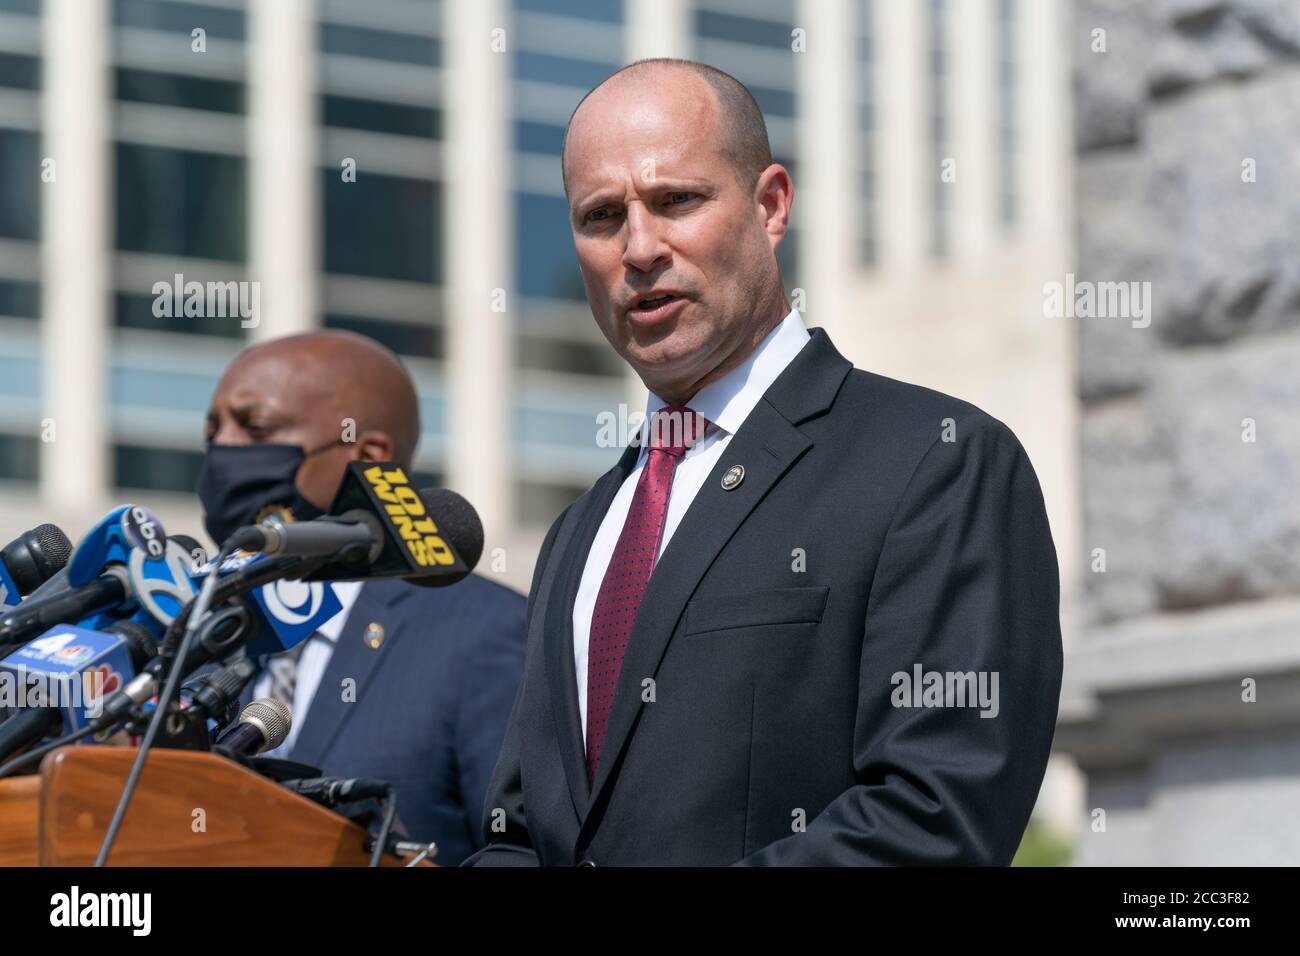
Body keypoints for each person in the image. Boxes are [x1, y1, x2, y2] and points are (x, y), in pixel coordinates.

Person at [465, 59, 1062, 866]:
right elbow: (524, 832)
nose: (640, 247)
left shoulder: (937, 462)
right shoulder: (582, 533)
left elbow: (936, 817)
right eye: (602, 216)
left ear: (771, 205)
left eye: (677, 200)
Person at [198, 330, 525, 865]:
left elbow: (520, 849)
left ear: (370, 456)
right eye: (213, 434)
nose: (222, 452)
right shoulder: (200, 633)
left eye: (255, 427)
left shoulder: (487, 631)